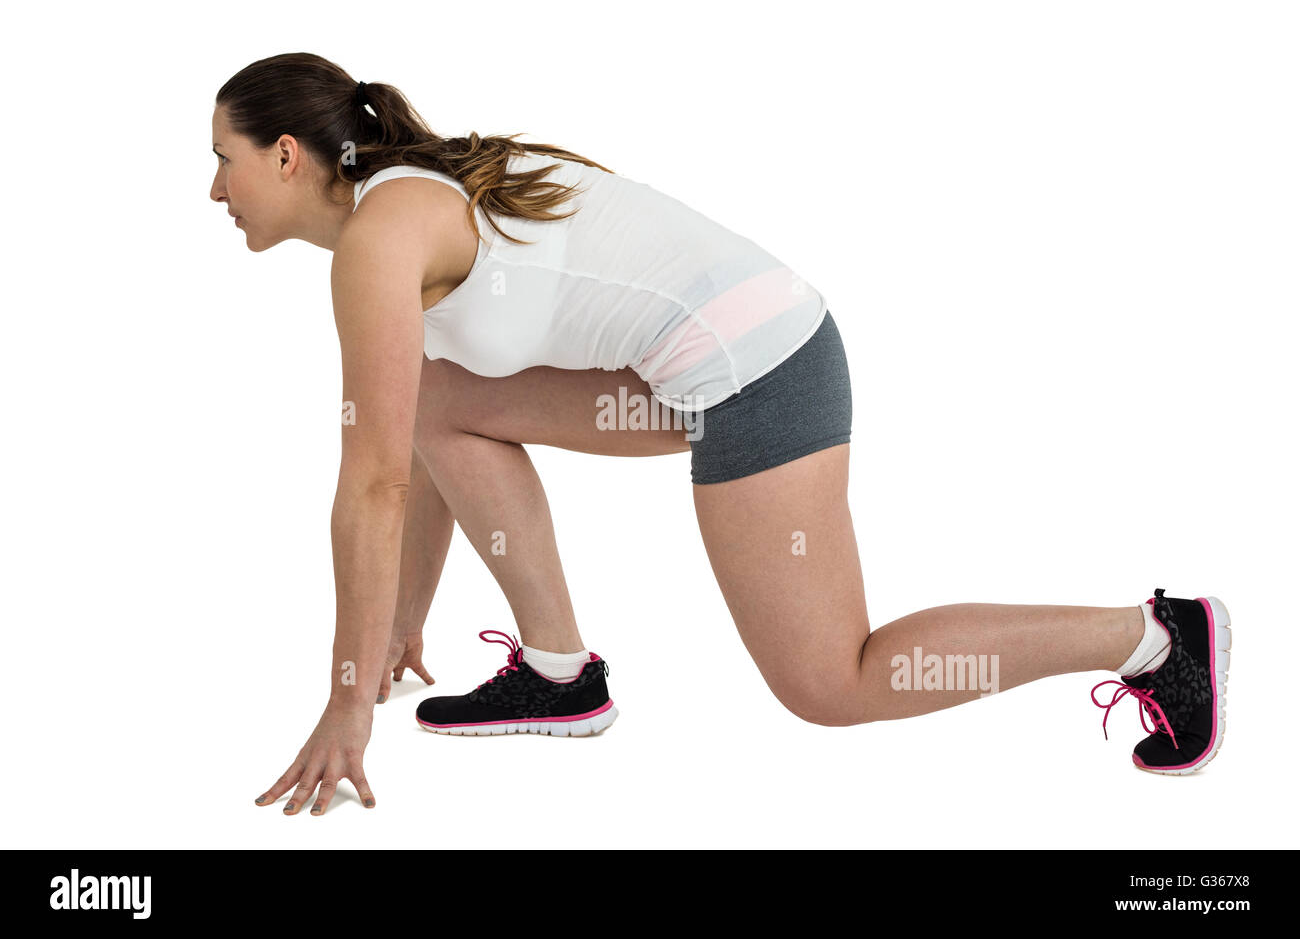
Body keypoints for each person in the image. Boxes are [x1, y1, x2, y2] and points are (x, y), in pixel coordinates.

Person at [211, 53, 1231, 817]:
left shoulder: (383, 240)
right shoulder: (400, 218)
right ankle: (562, 674)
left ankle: (1155, 635)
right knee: (442, 395)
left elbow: (373, 482)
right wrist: (398, 626)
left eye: (223, 160)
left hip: (762, 368)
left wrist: (346, 699)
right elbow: (420, 437)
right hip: (698, 363)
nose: (216, 190)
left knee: (833, 680)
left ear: (287, 153)